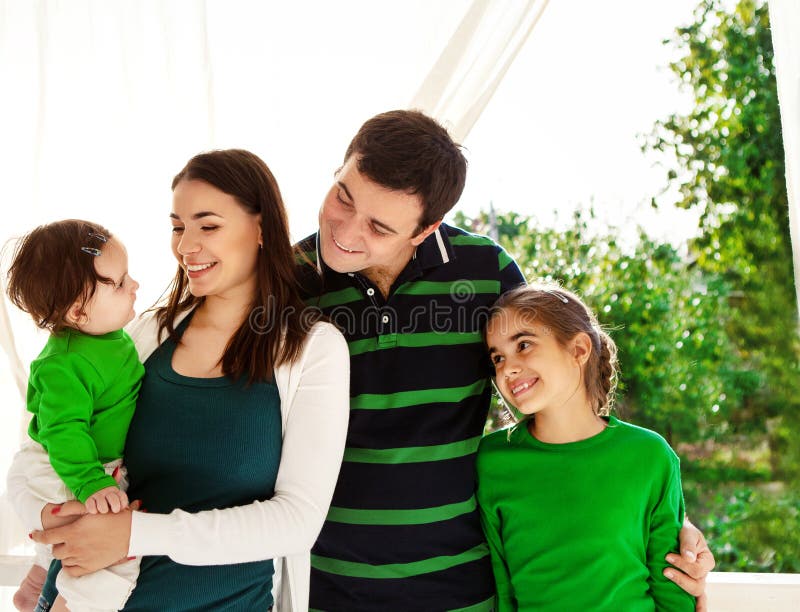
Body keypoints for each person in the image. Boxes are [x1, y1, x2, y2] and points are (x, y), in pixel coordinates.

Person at [29, 112, 714, 610]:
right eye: (342, 196)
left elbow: (549, 394)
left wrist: (654, 512)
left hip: (458, 584)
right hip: (328, 584)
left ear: (427, 228)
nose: (346, 233)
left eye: (380, 226)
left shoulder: (487, 274)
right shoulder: (291, 279)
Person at [9, 149, 349, 611]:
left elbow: (296, 521)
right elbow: (44, 448)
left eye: (208, 226)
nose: (185, 246)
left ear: (262, 228)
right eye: (177, 226)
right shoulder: (144, 335)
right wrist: (52, 526)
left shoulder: (312, 350)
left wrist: (133, 534)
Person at [476, 283, 695, 611]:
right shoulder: (492, 461)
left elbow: (672, 588)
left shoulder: (651, 456)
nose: (507, 368)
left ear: (578, 349)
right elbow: (503, 590)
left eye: (523, 344)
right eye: (498, 357)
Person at [6, 220, 143, 612]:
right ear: (79, 312)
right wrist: (89, 483)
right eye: (118, 283)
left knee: (71, 534)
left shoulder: (107, 337)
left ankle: (35, 584)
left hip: (81, 461)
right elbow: (64, 431)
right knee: (115, 562)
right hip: (70, 465)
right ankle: (68, 606)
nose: (133, 285)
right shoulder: (63, 364)